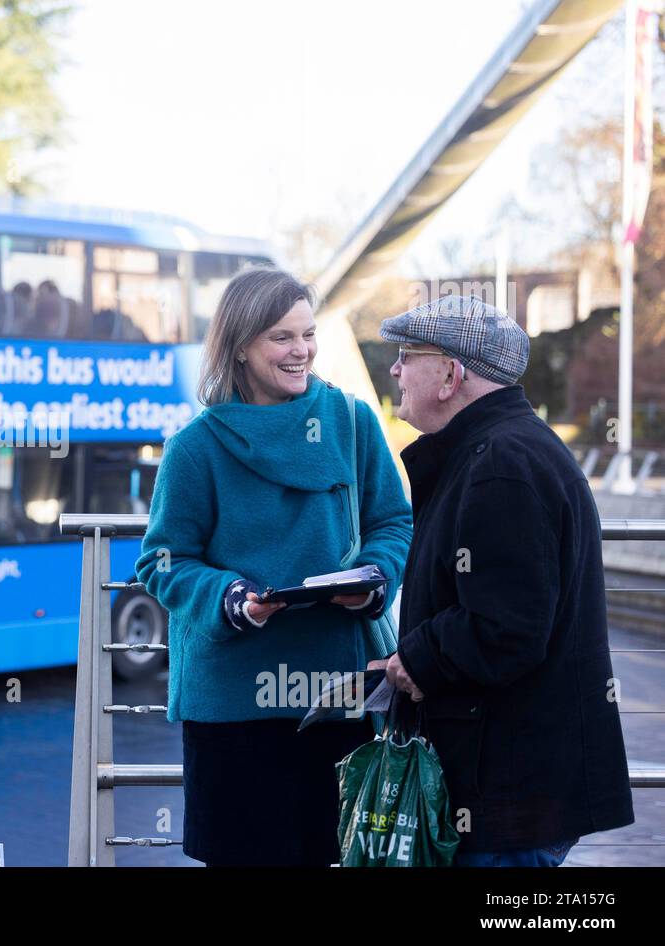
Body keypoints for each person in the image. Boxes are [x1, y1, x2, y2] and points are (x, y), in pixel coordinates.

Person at [136, 267, 413, 866]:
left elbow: (394, 521)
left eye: (308, 335)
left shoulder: (353, 421)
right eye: (282, 338)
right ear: (240, 346)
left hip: (337, 694)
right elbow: (162, 560)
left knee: (335, 855)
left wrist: (371, 581)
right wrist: (231, 597)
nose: (302, 351)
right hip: (233, 704)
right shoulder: (194, 448)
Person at [376, 294, 634, 866]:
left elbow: (506, 627)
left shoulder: (500, 467)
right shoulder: (503, 450)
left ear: (450, 373)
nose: (394, 369)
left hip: (507, 797)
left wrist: (416, 657)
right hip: (517, 788)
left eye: (406, 355)